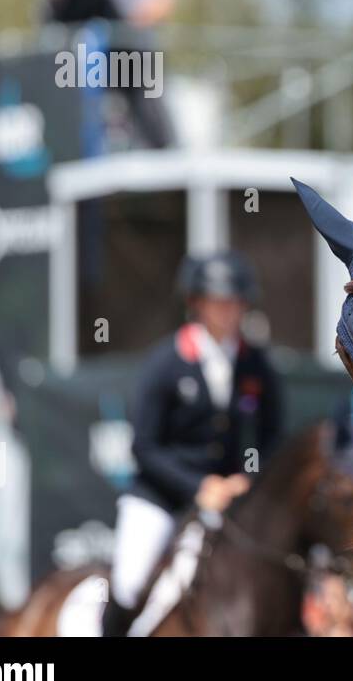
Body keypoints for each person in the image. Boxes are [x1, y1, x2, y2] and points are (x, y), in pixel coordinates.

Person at [101, 250, 285, 636]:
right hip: (162, 497)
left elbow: (272, 439)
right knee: (129, 581)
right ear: (196, 303)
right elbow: (144, 447)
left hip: (230, 499)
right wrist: (198, 487)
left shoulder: (257, 365)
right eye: (219, 303)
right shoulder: (164, 363)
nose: (228, 312)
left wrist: (247, 480)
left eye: (235, 303)